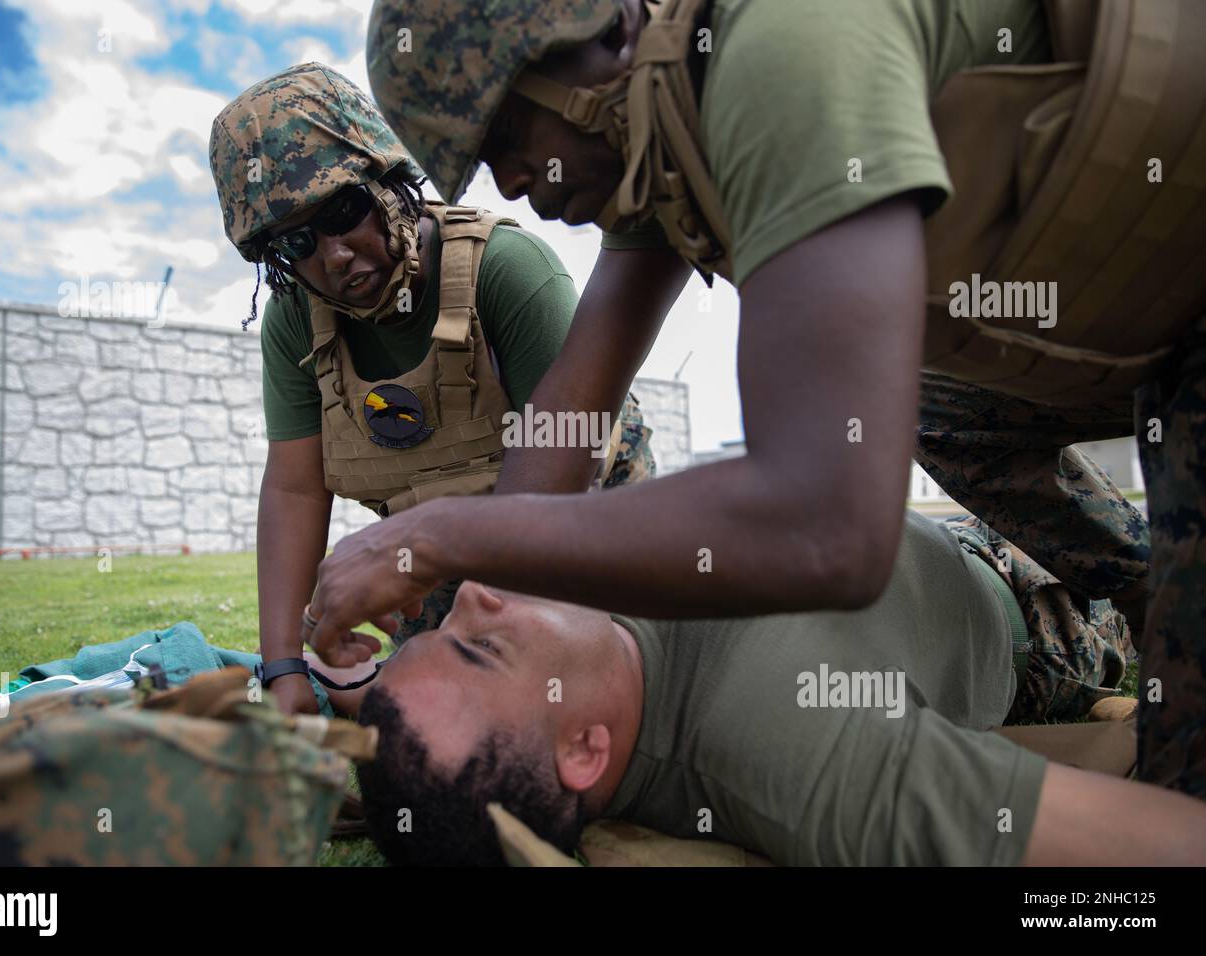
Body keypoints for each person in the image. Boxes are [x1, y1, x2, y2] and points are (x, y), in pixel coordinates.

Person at [293, 0, 1206, 792]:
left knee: (1185, 793)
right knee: (934, 404)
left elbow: (826, 524)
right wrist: (472, 613)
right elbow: (572, 411)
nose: (515, 189)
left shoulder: (780, 49)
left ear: (602, 38)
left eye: (506, 139)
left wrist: (433, 534)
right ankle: (1139, 587)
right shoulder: (663, 141)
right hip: (1141, 331)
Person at [351, 513, 1204, 866]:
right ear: (583, 750)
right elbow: (1155, 847)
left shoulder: (591, 633)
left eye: (438, 628)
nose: (469, 594)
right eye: (482, 649)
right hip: (1042, 606)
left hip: (945, 527)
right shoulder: (798, 748)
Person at [207, 63, 655, 714]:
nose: (333, 256)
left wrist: (421, 558)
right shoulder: (296, 320)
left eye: (345, 211)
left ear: (389, 184)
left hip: (587, 536)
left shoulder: (506, 273)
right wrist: (284, 672)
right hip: (443, 560)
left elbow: (565, 487)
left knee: (541, 709)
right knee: (416, 709)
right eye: (298, 240)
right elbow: (294, 486)